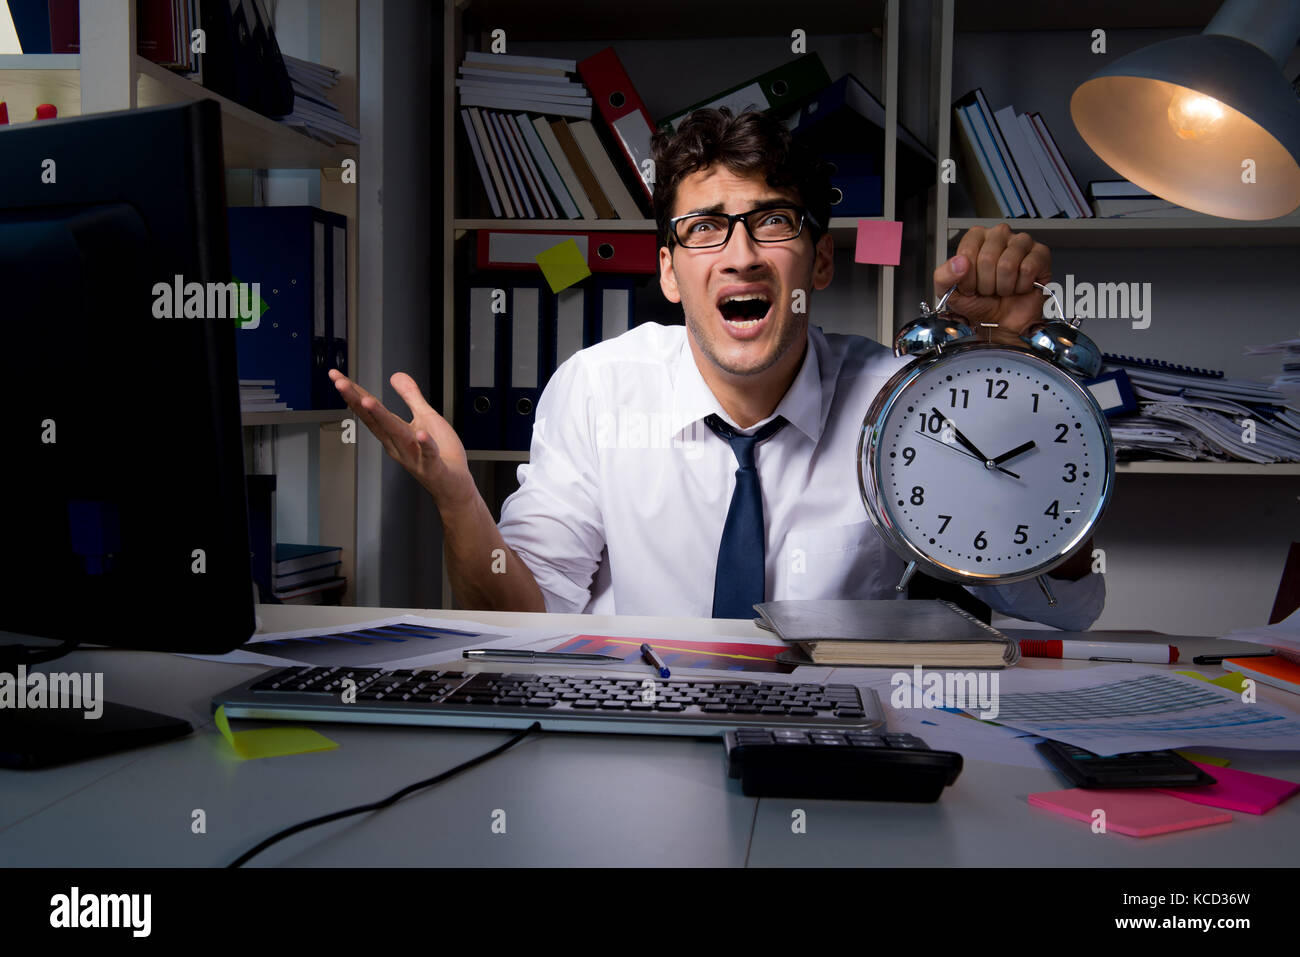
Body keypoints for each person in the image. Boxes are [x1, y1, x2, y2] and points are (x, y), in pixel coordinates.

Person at [330, 108, 1102, 629]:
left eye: (772, 222)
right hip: (637, 739)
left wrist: (1013, 386)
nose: (739, 256)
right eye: (704, 229)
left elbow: (1059, 606)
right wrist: (460, 501)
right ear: (669, 274)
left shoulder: (898, 401)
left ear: (821, 260)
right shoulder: (598, 390)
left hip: (832, 751)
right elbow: (525, 617)